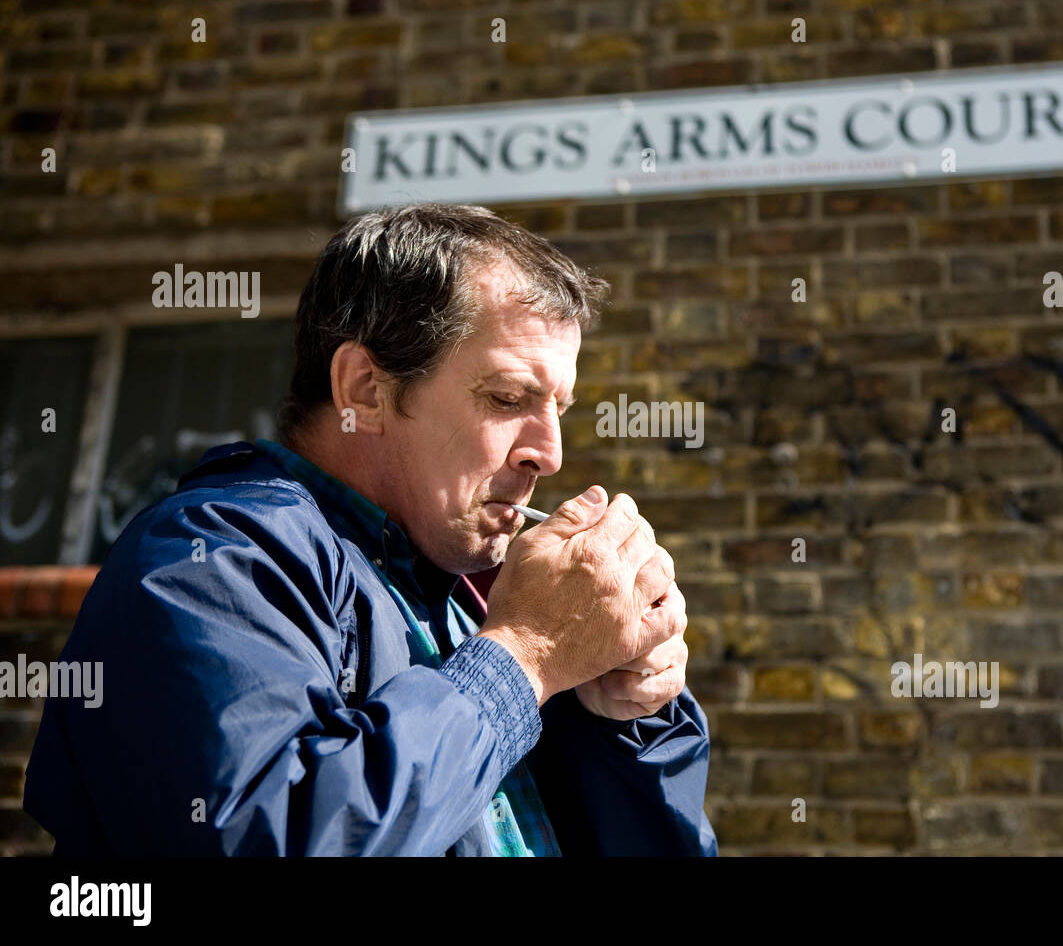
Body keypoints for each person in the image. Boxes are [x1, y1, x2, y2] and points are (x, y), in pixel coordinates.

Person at [23, 203, 717, 856]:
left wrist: (627, 718)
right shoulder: (208, 558)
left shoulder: (464, 593)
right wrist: (527, 655)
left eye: (558, 407)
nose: (550, 452)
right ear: (364, 389)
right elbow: (276, 837)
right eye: (508, 398)